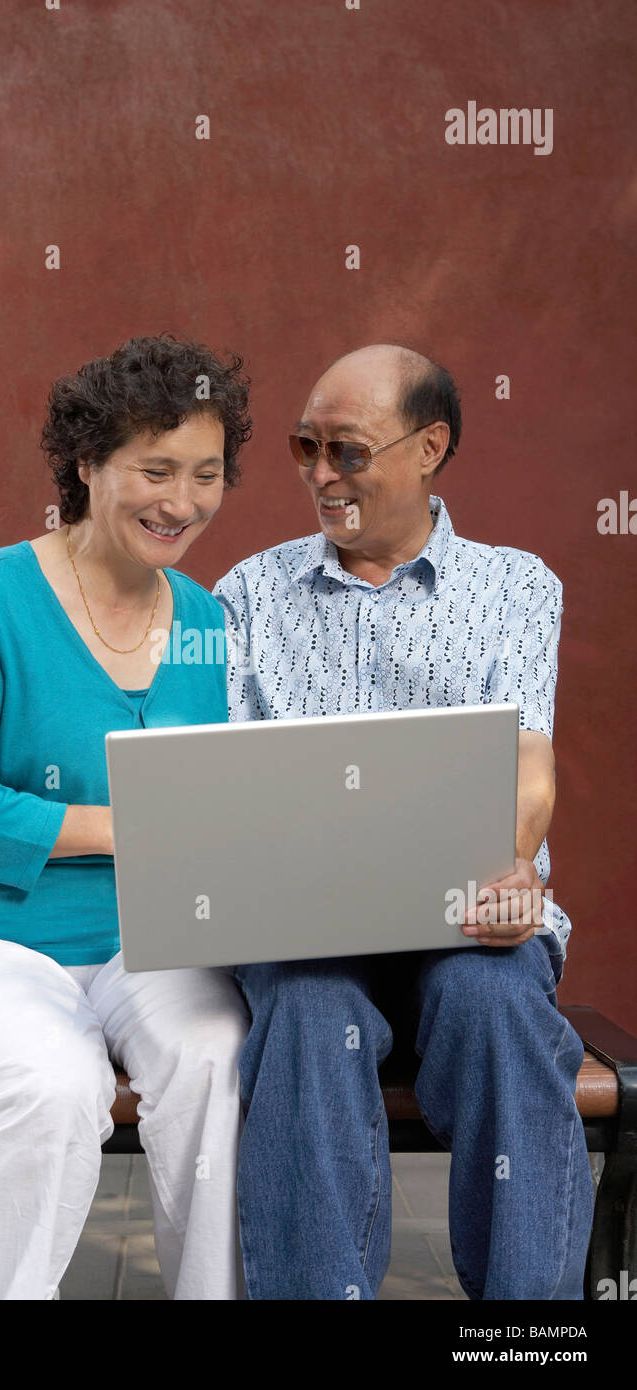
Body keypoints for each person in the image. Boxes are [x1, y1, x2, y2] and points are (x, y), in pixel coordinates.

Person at [213, 343, 594, 1300]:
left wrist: (513, 866)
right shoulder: (248, 594)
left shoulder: (515, 588)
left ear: (430, 448)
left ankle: (528, 1332)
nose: (319, 474)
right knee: (308, 1010)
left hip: (472, 918)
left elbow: (529, 759)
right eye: (307, 448)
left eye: (346, 450)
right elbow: (217, 781)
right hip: (304, 937)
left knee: (497, 1002)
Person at [0, 333, 253, 1300]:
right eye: (156, 469)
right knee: (54, 1087)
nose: (182, 501)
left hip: (154, 940)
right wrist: (126, 826)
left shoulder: (209, 624)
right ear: (87, 465)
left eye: (208, 474)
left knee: (218, 1060)